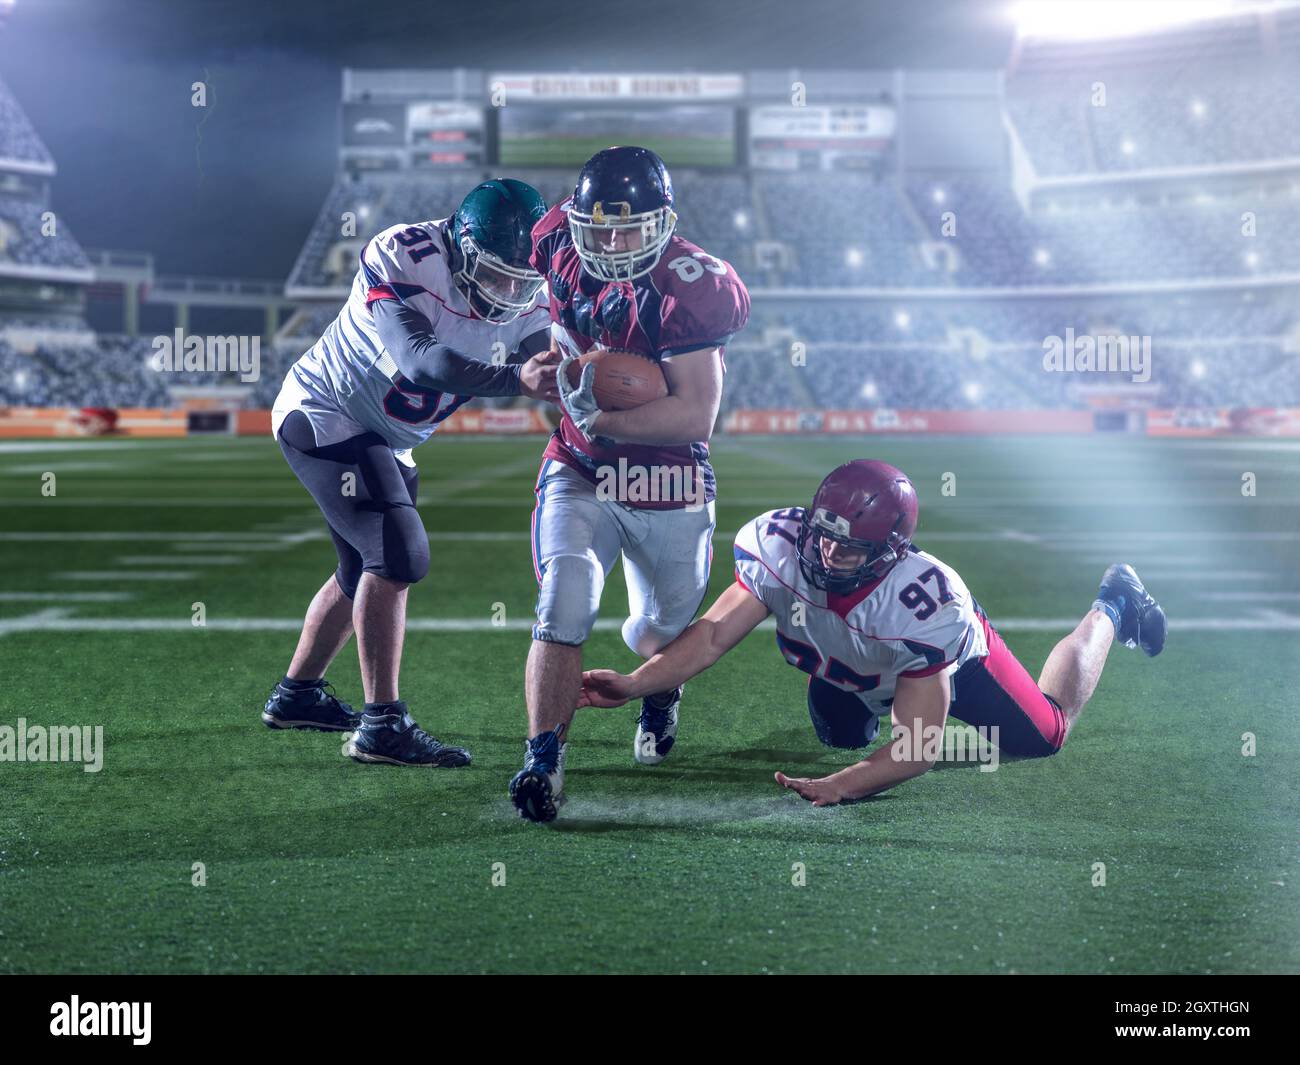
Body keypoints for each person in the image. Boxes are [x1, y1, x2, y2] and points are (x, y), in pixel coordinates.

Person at [578, 459, 1167, 805]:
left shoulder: (926, 607)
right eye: (823, 533)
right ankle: (861, 705)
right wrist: (636, 683)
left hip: (947, 670)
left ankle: (1113, 603)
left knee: (1043, 734)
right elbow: (709, 636)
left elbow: (918, 750)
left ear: (890, 551)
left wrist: (844, 787)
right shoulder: (778, 545)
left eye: (849, 546)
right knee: (841, 735)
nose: (828, 551)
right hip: (852, 664)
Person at [264, 179, 559, 767]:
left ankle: (297, 694)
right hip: (328, 411)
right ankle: (383, 725)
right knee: (398, 556)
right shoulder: (404, 253)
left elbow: (544, 359)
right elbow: (421, 362)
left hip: (390, 437)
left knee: (360, 567)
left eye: (519, 280)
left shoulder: (535, 289)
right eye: (497, 274)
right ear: (462, 246)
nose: (507, 292)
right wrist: (513, 380)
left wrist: (571, 392)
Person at [508, 146, 750, 822]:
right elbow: (523, 309)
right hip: (580, 466)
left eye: (630, 229)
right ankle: (543, 760)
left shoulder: (692, 285)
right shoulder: (552, 238)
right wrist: (528, 363)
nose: (613, 245)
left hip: (666, 479)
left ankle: (659, 688)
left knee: (658, 629)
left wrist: (605, 412)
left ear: (663, 224)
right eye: (600, 230)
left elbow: (696, 413)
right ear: (575, 221)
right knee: (566, 596)